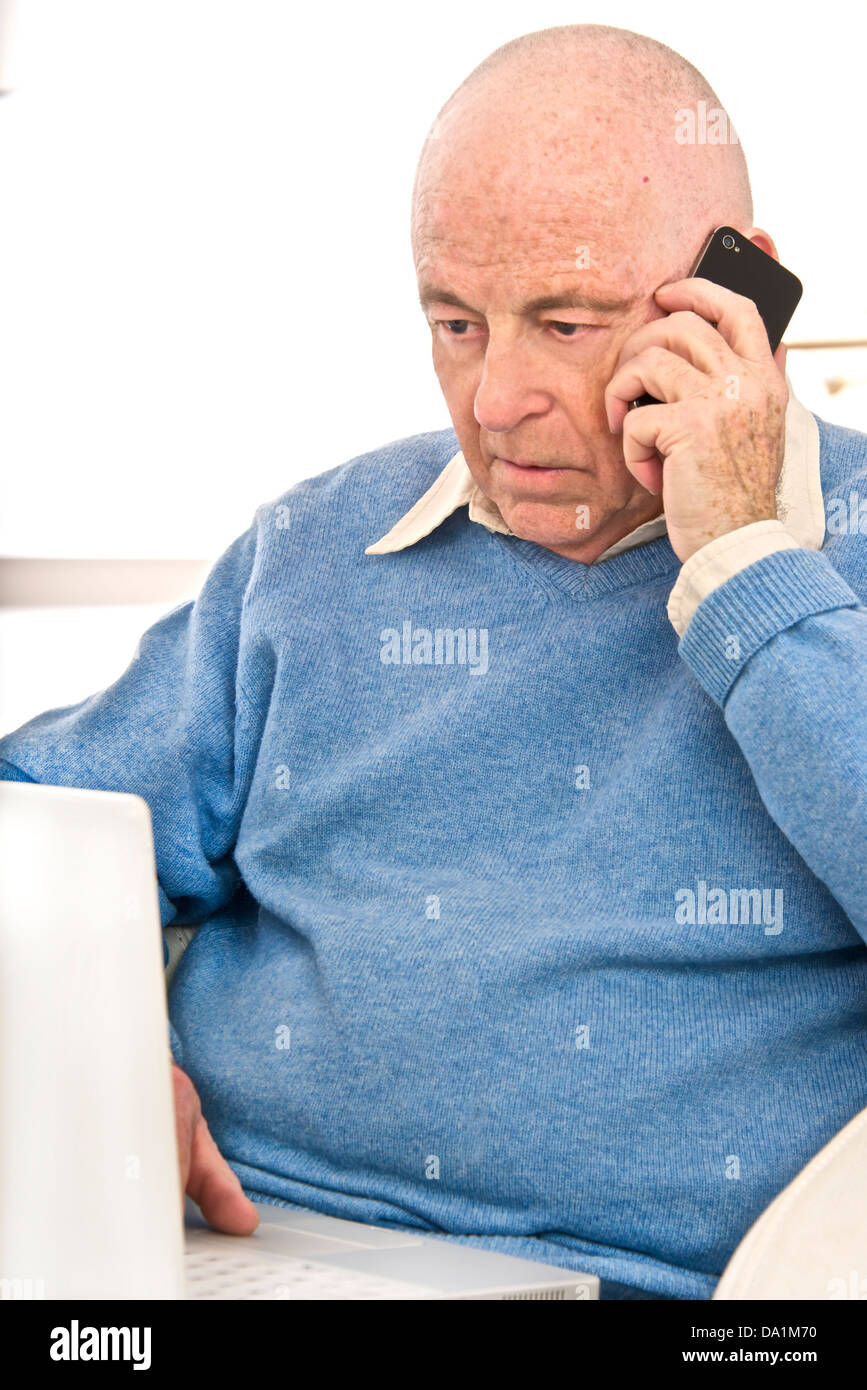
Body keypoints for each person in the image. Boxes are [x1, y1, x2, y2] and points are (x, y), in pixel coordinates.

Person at [2, 24, 865, 1300]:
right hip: (224, 1260)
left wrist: (741, 562)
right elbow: (39, 822)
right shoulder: (312, 551)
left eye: (563, 324)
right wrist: (75, 1065)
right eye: (454, 321)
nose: (495, 397)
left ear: (738, 299)